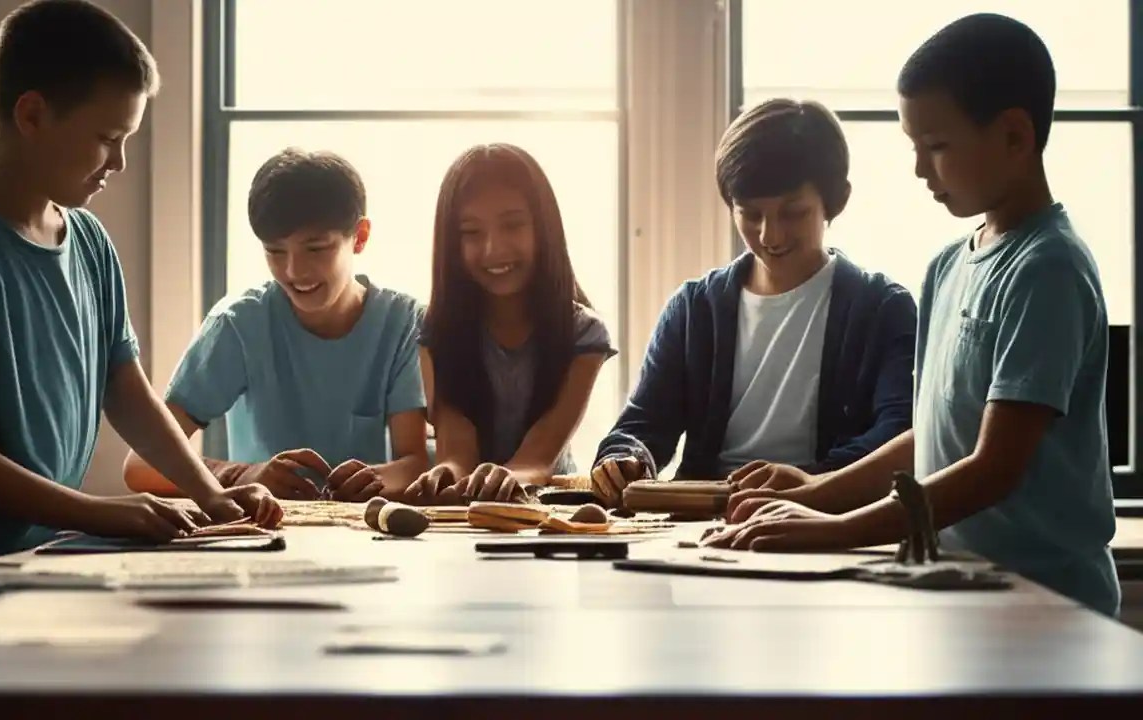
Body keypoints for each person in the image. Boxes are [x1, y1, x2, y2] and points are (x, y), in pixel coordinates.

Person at [0, 0, 281, 605]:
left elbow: (125, 389)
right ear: (31, 113)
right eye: (107, 139)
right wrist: (93, 512)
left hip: (37, 565)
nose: (119, 162)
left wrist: (207, 494)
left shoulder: (88, 241)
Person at [712, 14, 1121, 618]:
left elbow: (991, 470)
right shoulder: (946, 266)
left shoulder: (1048, 269)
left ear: (1014, 135)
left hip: (1048, 603)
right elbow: (932, 438)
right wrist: (820, 494)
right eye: (914, 147)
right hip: (959, 591)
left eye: (936, 147)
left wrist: (834, 529)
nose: (920, 169)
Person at [590, 98, 916, 507]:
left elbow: (899, 432)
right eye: (750, 214)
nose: (770, 236)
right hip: (702, 519)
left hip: (824, 515)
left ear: (836, 201)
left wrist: (807, 482)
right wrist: (625, 460)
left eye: (792, 213)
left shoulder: (883, 308)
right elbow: (643, 423)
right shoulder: (695, 309)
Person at [124, 148, 428, 502]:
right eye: (275, 252)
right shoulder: (238, 326)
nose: (294, 272)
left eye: (316, 249)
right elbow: (140, 465)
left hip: (363, 530)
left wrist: (372, 479)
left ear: (359, 237)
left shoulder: (403, 323)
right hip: (262, 535)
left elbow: (414, 463)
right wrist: (243, 474)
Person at [405, 144, 616, 504]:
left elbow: (539, 458)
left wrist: (505, 477)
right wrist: (446, 473)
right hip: (464, 512)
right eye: (471, 232)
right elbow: (456, 450)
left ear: (544, 227)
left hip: (545, 510)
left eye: (513, 225)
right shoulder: (435, 331)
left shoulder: (585, 335)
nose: (493, 249)